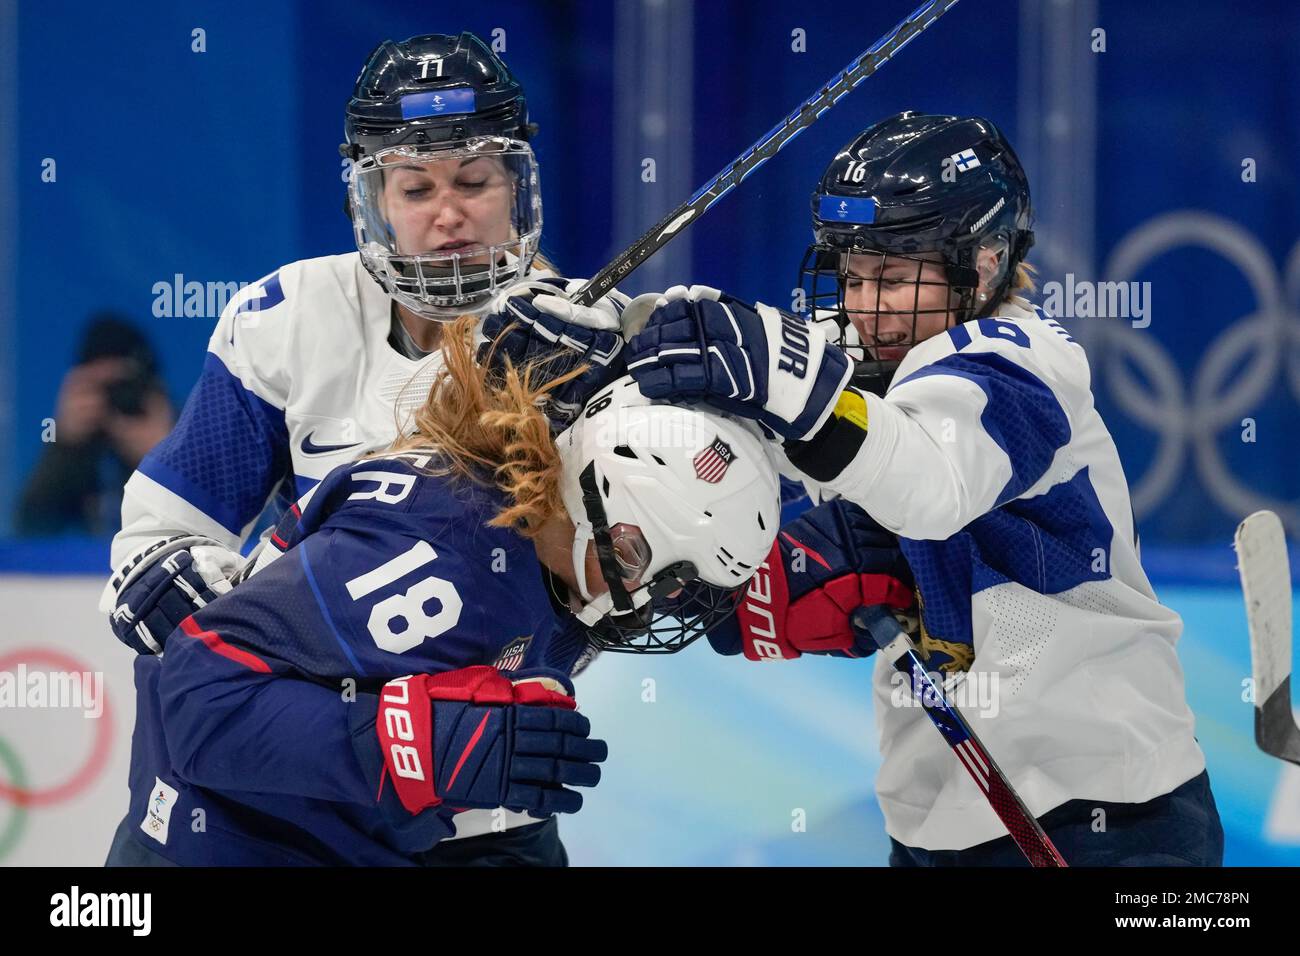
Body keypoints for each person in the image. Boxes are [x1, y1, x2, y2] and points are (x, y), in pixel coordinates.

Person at [624, 112, 1224, 866]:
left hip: (1106, 812)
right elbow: (743, 418)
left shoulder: (1025, 362)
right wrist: (622, 339)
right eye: (853, 276)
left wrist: (778, 379)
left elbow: (930, 481)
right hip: (937, 821)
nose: (868, 308)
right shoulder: (863, 361)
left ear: (982, 263)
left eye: (896, 277)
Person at [99, 32, 627, 856]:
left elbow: (615, 590)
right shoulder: (288, 315)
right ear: (372, 201)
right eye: (415, 186)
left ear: (519, 188)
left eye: (475, 181)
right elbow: (163, 535)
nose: (448, 213)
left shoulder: (584, 344)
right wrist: (194, 596)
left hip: (476, 799)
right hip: (284, 796)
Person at [104, 320, 780, 865]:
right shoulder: (435, 556)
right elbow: (195, 698)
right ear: (600, 504)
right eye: (644, 568)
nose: (650, 604)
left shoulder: (548, 528)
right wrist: (418, 745)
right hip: (220, 843)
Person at [18, 315, 174, 536]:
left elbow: (209, 531)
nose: (113, 397)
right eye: (101, 387)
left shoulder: (183, 433)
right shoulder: (81, 445)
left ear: (152, 388)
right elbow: (30, 528)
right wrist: (63, 443)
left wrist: (164, 458)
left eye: (122, 385)